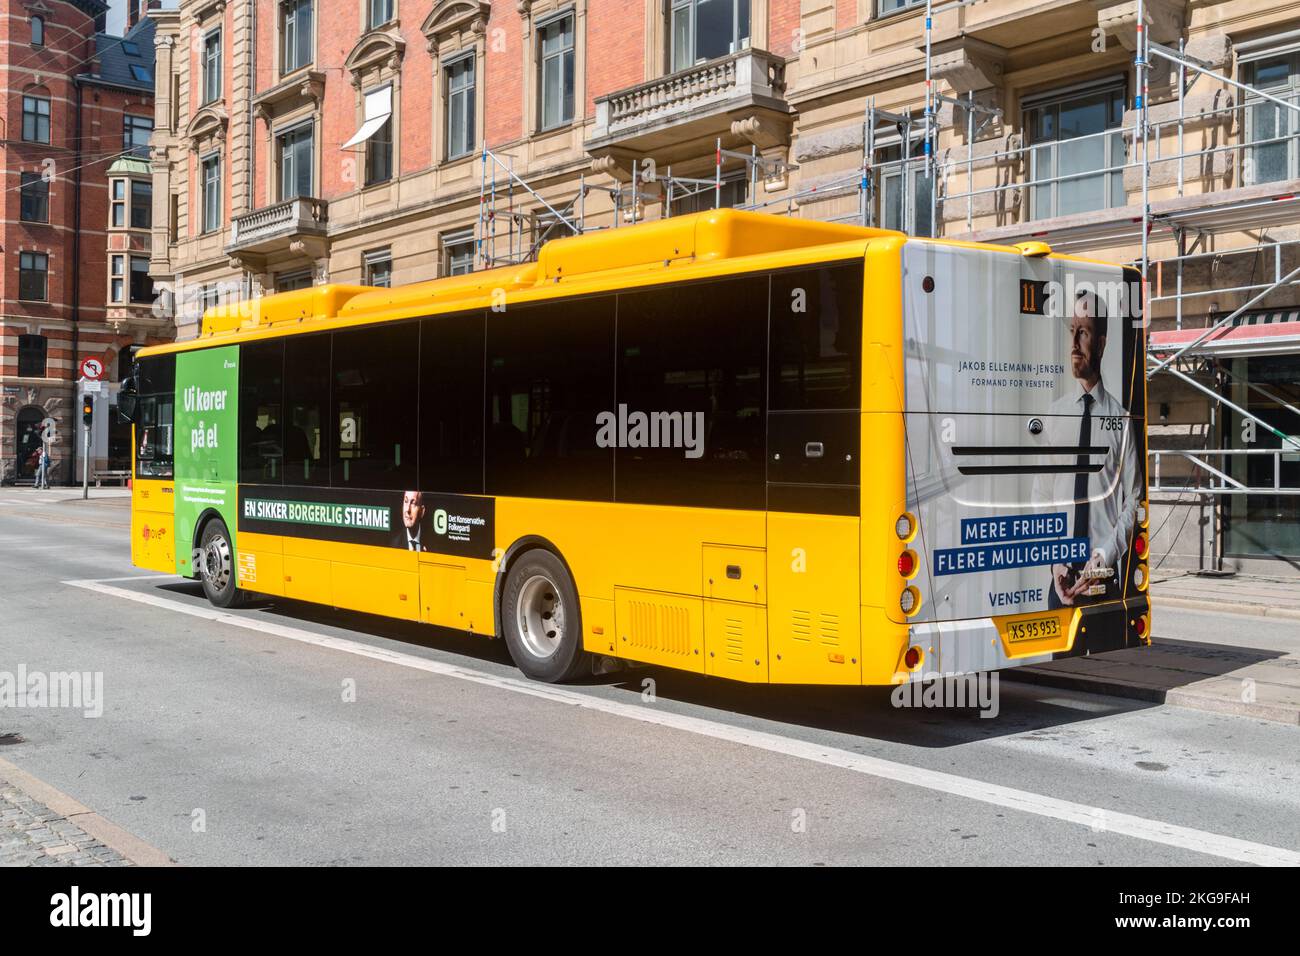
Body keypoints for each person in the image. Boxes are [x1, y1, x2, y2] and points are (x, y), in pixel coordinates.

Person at [1034, 289, 1141, 608]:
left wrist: (1105, 554)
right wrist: (1055, 560)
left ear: (1102, 343)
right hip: (1060, 581)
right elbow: (1042, 495)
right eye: (1071, 330)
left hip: (1104, 583)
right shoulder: (1054, 415)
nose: (1074, 342)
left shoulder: (1121, 421)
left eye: (1084, 331)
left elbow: (1134, 499)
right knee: (1058, 660)